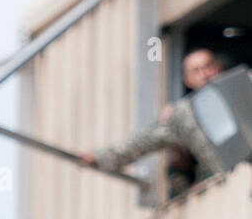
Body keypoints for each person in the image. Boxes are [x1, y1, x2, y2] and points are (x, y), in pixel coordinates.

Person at [79, 48, 227, 196]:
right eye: (196, 70)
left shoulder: (245, 86)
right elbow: (141, 142)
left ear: (219, 68)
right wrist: (98, 157)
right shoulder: (184, 115)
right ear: (187, 80)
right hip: (224, 187)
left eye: (208, 66)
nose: (204, 74)